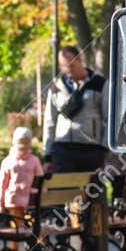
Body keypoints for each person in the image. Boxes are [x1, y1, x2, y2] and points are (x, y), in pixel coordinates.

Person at [42, 44, 108, 173]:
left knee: (93, 191)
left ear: (80, 60)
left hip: (92, 149)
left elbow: (108, 118)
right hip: (63, 148)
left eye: (71, 65)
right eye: (63, 66)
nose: (68, 70)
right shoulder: (56, 87)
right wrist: (47, 155)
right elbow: (50, 121)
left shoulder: (100, 83)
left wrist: (104, 147)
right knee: (64, 191)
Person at [0, 127, 44, 218]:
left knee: (28, 228)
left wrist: (39, 198)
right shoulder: (8, 161)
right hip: (14, 202)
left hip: (30, 202)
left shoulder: (34, 161)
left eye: (25, 143)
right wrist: (0, 204)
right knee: (18, 229)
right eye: (21, 143)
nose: (23, 146)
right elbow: (2, 185)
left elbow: (40, 181)